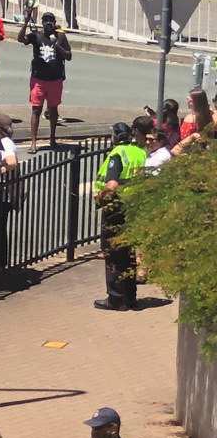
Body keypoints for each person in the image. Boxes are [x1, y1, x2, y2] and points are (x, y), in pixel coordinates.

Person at [93, 122, 147, 311]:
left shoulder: (117, 154)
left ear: (115, 137)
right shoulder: (140, 152)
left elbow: (112, 185)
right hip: (134, 205)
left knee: (114, 254)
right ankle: (130, 298)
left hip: (116, 207)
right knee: (129, 253)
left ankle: (116, 299)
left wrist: (100, 197)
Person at [20, 13, 69, 147]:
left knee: (53, 110)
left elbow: (69, 55)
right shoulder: (36, 35)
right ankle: (33, 142)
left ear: (54, 22)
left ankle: (52, 138)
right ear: (42, 22)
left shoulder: (60, 36)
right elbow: (21, 39)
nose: (48, 23)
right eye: (45, 20)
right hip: (38, 80)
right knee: (36, 109)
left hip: (55, 79)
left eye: (50, 20)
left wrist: (57, 46)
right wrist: (25, 23)